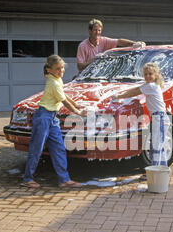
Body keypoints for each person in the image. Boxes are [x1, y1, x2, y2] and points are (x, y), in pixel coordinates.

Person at [21, 54, 86, 189]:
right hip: (43, 117)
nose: (61, 71)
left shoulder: (57, 80)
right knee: (36, 149)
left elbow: (65, 96)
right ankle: (27, 178)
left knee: (59, 148)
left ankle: (64, 180)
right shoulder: (52, 82)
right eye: (57, 69)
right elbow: (63, 101)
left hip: (52, 118)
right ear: (49, 69)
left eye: (62, 68)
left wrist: (76, 105)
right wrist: (78, 112)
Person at [112, 62, 169, 166]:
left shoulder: (151, 86)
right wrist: (122, 93)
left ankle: (156, 171)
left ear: (156, 75)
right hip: (159, 117)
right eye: (145, 74)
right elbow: (136, 89)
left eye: (150, 74)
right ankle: (161, 169)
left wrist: (119, 96)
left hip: (159, 118)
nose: (148, 76)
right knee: (158, 145)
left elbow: (135, 92)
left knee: (156, 146)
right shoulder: (151, 85)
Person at [76, 18, 146, 73]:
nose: (97, 33)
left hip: (101, 75)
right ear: (90, 31)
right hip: (86, 77)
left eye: (99, 30)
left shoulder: (104, 40)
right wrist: (95, 60)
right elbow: (80, 66)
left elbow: (119, 41)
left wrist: (135, 43)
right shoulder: (82, 46)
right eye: (95, 30)